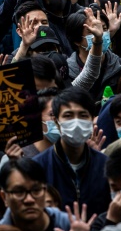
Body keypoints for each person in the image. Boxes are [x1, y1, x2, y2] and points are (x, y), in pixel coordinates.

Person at [33, 88, 111, 217]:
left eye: (83, 115)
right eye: (68, 116)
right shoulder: (39, 167)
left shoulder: (106, 166)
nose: (76, 122)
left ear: (92, 120)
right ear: (57, 121)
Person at [0, 158, 93, 231]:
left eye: (36, 190)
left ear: (45, 191)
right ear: (4, 197)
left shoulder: (70, 226)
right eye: (19, 192)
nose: (29, 199)